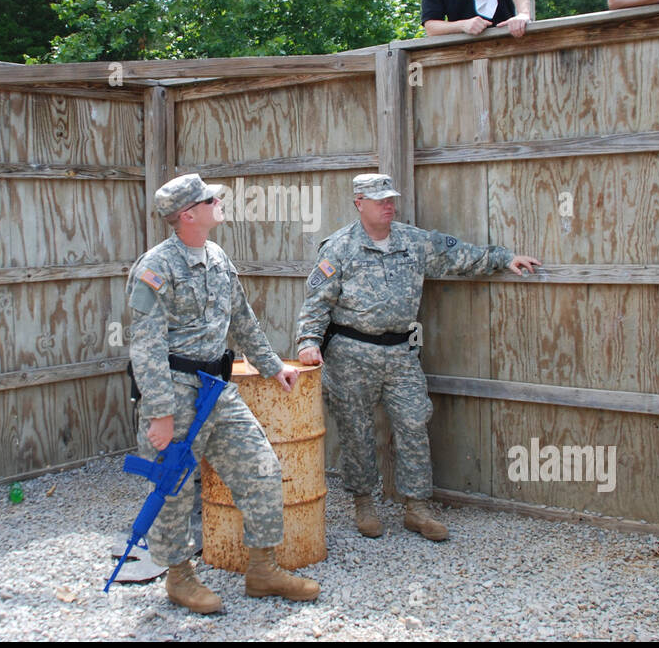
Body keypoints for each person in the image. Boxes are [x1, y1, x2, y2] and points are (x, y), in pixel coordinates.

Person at [295, 174, 542, 541]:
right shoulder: (339, 247)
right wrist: (307, 342)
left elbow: (460, 255)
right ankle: (364, 503)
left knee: (413, 423)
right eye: (379, 200)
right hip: (350, 356)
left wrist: (504, 259)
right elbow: (317, 303)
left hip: (401, 354)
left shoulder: (414, 241)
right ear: (359, 203)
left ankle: (417, 507)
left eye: (391, 198)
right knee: (356, 431)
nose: (388, 205)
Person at [126, 172, 319, 614]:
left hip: (218, 390)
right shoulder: (156, 268)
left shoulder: (216, 257)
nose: (220, 202)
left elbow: (243, 319)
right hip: (174, 393)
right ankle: (179, 577)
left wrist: (274, 368)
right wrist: (158, 412)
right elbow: (147, 344)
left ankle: (262, 570)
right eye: (211, 199)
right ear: (188, 214)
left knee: (262, 468)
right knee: (173, 486)